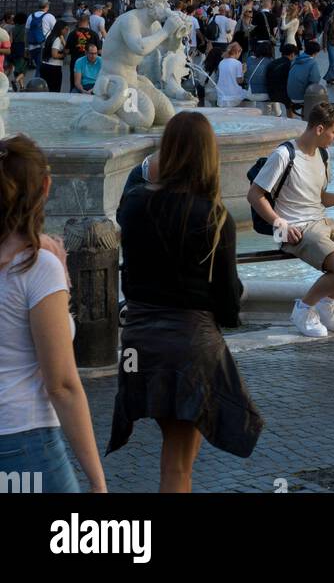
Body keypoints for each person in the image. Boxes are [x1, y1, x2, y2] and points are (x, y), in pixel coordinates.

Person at [108, 111, 263, 490]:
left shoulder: (133, 205)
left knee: (176, 454)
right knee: (178, 464)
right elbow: (227, 301)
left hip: (139, 341)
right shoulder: (213, 216)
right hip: (189, 345)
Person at [0, 135, 107, 494]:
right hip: (23, 438)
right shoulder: (35, 266)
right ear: (46, 186)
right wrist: (97, 479)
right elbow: (61, 384)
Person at [247, 105, 334, 338]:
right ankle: (303, 309)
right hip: (296, 229)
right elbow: (255, 195)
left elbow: (320, 199)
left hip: (322, 222)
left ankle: (326, 302)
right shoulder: (284, 155)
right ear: (320, 129)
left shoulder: (323, 155)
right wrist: (279, 223)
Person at [286, 39, 323, 109]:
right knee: (321, 91)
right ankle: (308, 116)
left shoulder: (295, 60)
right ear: (315, 53)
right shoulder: (313, 63)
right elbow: (315, 80)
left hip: (290, 95)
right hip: (301, 97)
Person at [25, 0, 55, 74]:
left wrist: (27, 47)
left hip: (32, 47)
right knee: (41, 70)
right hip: (44, 47)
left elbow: (27, 32)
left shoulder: (31, 16)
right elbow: (56, 31)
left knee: (39, 67)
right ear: (47, 5)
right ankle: (36, 85)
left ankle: (39, 83)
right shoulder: (49, 16)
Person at [40, 21, 70, 93]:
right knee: (55, 90)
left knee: (47, 90)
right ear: (60, 29)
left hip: (46, 65)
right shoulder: (57, 39)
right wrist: (63, 55)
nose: (67, 31)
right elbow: (54, 54)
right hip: (53, 67)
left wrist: (62, 40)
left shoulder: (51, 36)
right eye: (65, 29)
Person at [215, 41, 248, 107]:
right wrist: (243, 72)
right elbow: (239, 81)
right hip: (233, 95)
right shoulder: (237, 63)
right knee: (246, 93)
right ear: (237, 52)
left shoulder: (221, 62)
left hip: (221, 94)